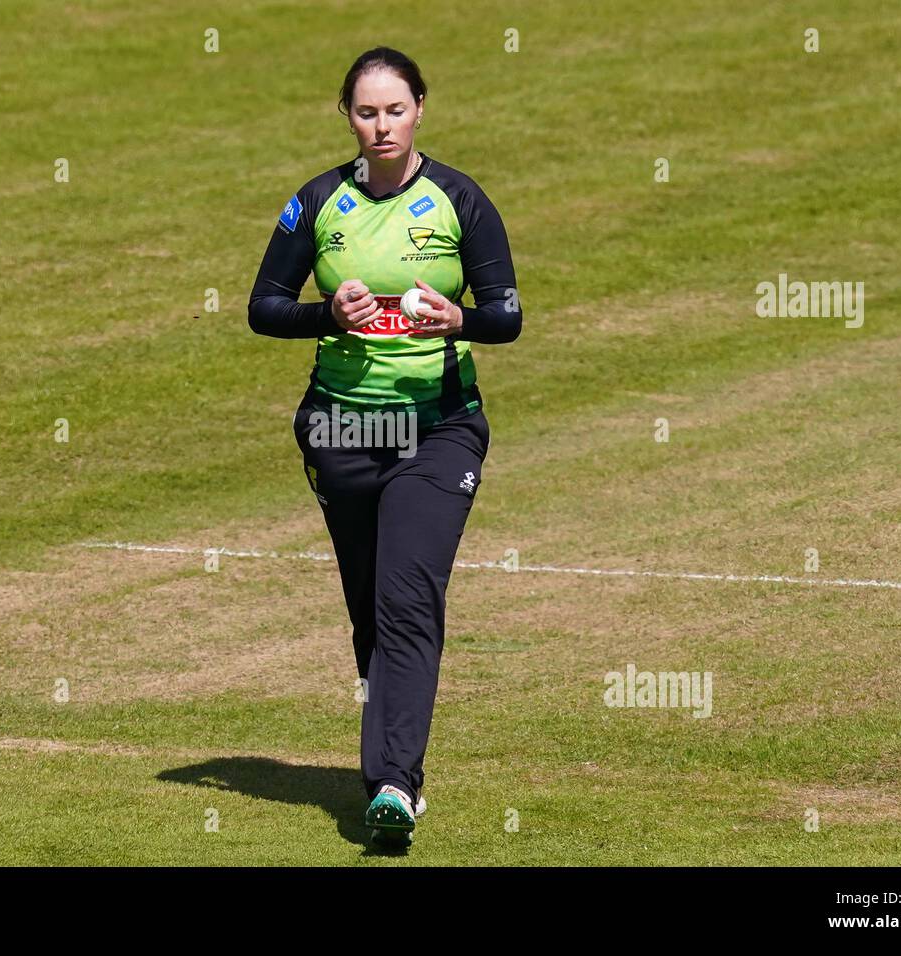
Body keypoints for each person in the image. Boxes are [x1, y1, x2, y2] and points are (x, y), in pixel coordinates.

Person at [247, 46, 522, 848]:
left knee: (406, 593)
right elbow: (264, 307)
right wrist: (328, 313)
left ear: (421, 110)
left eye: (394, 110)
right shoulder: (317, 202)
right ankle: (395, 762)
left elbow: (507, 315)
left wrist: (459, 319)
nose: (381, 126)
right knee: (370, 608)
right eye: (366, 112)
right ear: (348, 117)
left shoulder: (458, 200)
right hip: (342, 429)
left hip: (438, 428)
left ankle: (393, 786)